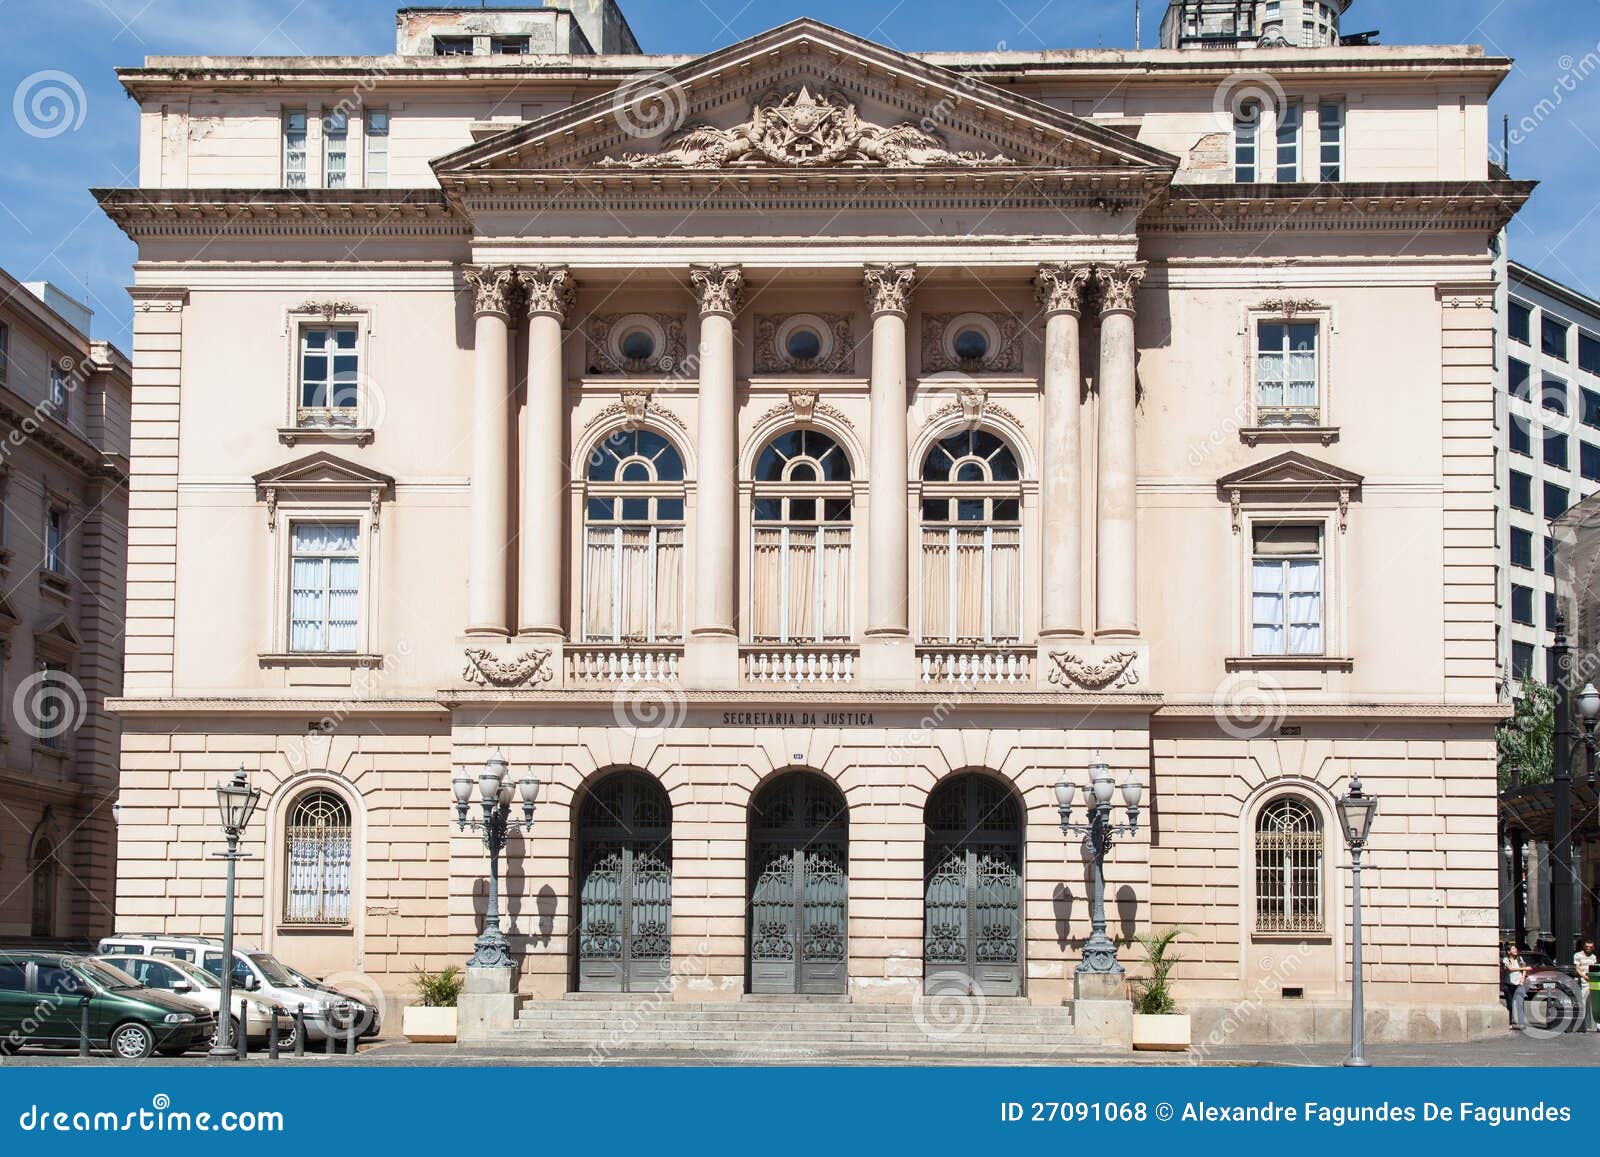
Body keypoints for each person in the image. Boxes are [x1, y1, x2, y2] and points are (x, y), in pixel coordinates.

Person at [1504, 942, 1528, 1030]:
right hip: (1509, 985)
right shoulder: (1506, 960)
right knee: (1510, 1005)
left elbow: (1524, 969)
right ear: (1508, 951)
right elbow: (1510, 969)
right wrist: (1523, 969)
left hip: (1519, 984)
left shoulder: (1520, 958)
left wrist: (1522, 979)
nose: (1515, 950)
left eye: (1515, 948)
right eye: (1513, 949)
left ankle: (1521, 1023)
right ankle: (1509, 1022)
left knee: (1520, 1004)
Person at [1576, 940, 1599, 1032]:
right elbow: (1577, 969)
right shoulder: (1578, 955)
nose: (1589, 948)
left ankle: (1598, 1025)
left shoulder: (1593, 957)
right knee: (1582, 1002)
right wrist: (1584, 976)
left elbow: (1594, 969)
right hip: (1584, 982)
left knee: (1596, 1004)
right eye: (1587, 947)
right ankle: (1581, 1025)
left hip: (1594, 983)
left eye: (1591, 947)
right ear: (1584, 946)